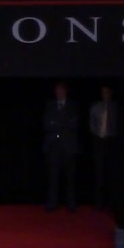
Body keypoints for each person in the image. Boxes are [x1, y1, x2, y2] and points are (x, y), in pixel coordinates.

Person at [43, 82, 79, 212]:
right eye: (57, 91)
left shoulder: (73, 106)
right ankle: (52, 203)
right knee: (53, 177)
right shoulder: (50, 106)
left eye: (61, 91)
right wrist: (62, 126)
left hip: (69, 147)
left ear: (65, 91)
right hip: (54, 147)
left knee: (70, 178)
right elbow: (47, 124)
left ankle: (71, 204)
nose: (59, 93)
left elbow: (73, 124)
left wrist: (57, 124)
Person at [88, 85, 117, 207]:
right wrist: (98, 134)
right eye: (103, 92)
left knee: (111, 172)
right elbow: (91, 123)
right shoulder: (96, 107)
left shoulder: (115, 107)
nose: (105, 95)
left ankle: (111, 201)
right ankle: (98, 202)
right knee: (99, 172)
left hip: (111, 142)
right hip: (99, 141)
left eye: (107, 92)